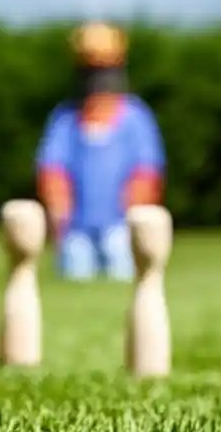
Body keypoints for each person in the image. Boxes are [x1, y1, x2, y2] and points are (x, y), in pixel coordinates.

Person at [35, 21, 166, 281]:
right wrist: (58, 215)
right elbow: (52, 171)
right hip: (76, 231)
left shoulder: (135, 117)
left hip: (120, 230)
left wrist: (135, 219)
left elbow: (147, 173)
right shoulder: (65, 118)